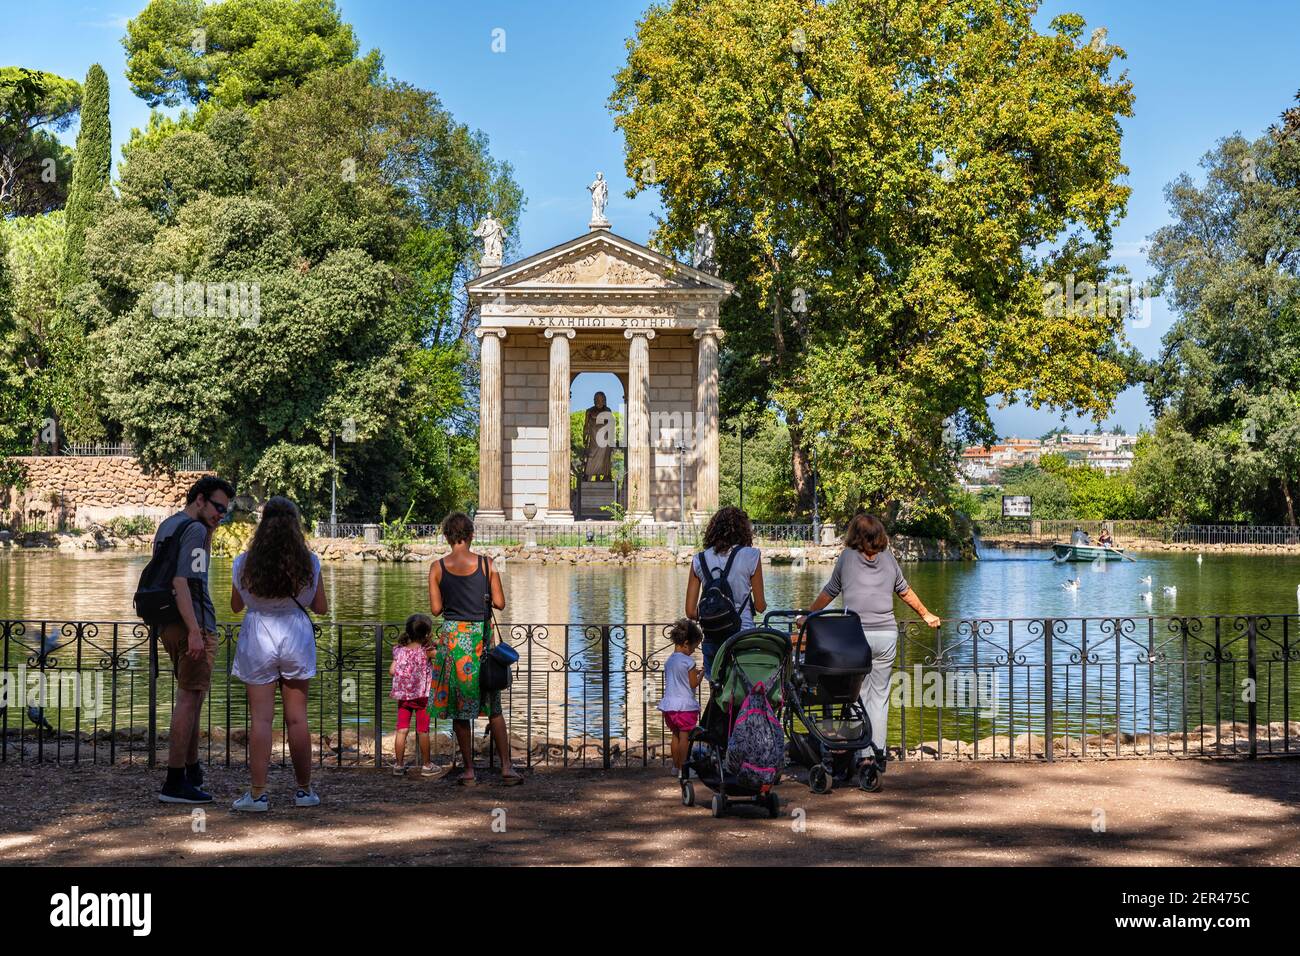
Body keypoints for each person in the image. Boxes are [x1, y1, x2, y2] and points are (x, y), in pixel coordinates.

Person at [803, 513, 941, 779]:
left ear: (854, 534)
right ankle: (876, 754)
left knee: (857, 696)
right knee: (879, 698)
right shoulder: (889, 558)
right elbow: (904, 590)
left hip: (856, 638)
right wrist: (926, 615)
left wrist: (808, 616)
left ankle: (859, 754)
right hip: (887, 635)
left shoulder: (846, 557)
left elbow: (831, 590)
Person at [228, 496, 327, 812]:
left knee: (261, 719)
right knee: (297, 718)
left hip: (258, 635)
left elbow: (234, 606)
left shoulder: (244, 563)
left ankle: (257, 795)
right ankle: (304, 791)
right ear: (296, 526)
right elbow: (321, 608)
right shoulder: (309, 562)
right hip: (296, 635)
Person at [155, 475, 235, 805]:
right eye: (218, 507)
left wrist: (211, 531)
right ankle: (175, 782)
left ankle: (190, 770)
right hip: (194, 625)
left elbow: (184, 573)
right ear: (199, 500)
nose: (222, 515)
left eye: (226, 511)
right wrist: (194, 631)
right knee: (189, 700)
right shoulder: (196, 529)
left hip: (167, 622)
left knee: (192, 699)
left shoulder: (169, 525)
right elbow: (184, 581)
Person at [428, 512, 522, 786]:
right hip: (480, 641)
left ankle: (469, 771)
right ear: (471, 535)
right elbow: (500, 603)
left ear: (446, 536)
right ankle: (506, 768)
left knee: (460, 710)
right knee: (493, 708)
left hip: (454, 643)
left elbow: (435, 610)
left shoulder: (437, 567)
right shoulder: (486, 564)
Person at [685, 506, 766, 678]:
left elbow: (691, 612)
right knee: (743, 694)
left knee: (718, 694)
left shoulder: (699, 560)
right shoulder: (751, 556)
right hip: (743, 637)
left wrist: (716, 613)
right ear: (743, 530)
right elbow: (760, 606)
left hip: (713, 639)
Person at [390, 613, 442, 778]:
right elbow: (442, 657)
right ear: (426, 634)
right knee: (423, 731)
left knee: (401, 730)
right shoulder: (427, 651)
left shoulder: (399, 651)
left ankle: (398, 765)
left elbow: (392, 670)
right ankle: (427, 765)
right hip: (422, 697)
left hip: (404, 697)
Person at [658, 618, 704, 774]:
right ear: (686, 643)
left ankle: (675, 767)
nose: (693, 651)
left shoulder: (669, 661)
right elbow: (692, 684)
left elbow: (679, 678)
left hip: (669, 707)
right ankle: (684, 769)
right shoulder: (689, 662)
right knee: (685, 737)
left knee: (675, 736)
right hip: (685, 707)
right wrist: (702, 674)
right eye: (694, 647)